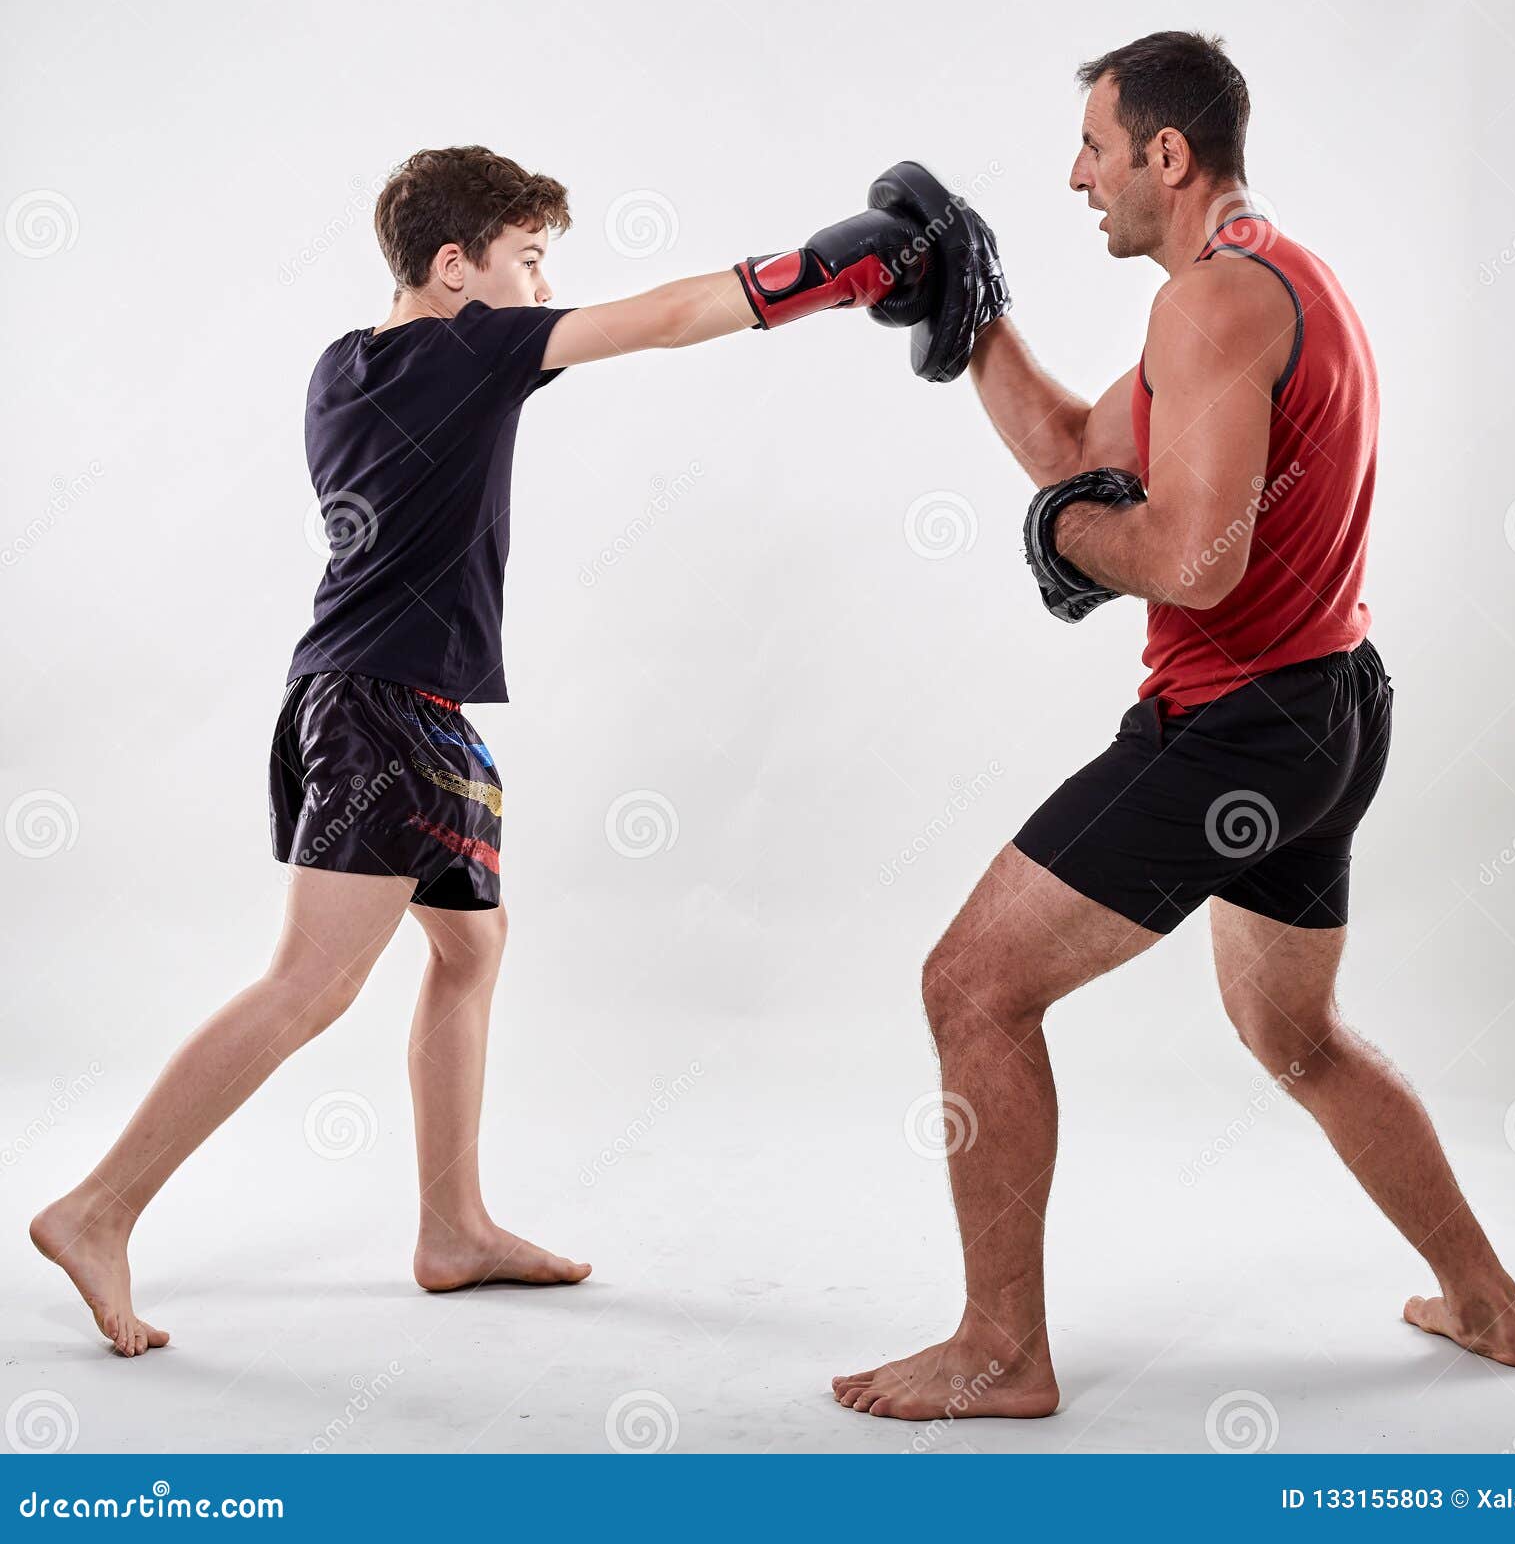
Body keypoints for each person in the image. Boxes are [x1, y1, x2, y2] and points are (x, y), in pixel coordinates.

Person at [31, 145, 923, 1356]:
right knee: (309, 983)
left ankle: (452, 1227)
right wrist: (842, 263)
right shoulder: (470, 347)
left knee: (468, 947)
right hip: (380, 713)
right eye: (530, 260)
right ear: (457, 269)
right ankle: (97, 1208)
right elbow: (664, 319)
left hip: (390, 705)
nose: (543, 285)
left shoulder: (344, 365)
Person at [832, 32, 1515, 1423]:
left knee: (971, 986)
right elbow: (1072, 455)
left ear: (1167, 156)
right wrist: (970, 316)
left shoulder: (1210, 307)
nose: (1077, 175)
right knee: (1301, 1037)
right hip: (1332, 706)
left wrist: (1066, 541)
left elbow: (1193, 557)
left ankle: (999, 1348)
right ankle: (1485, 1301)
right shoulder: (1271, 279)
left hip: (1240, 727)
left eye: (1095, 148)